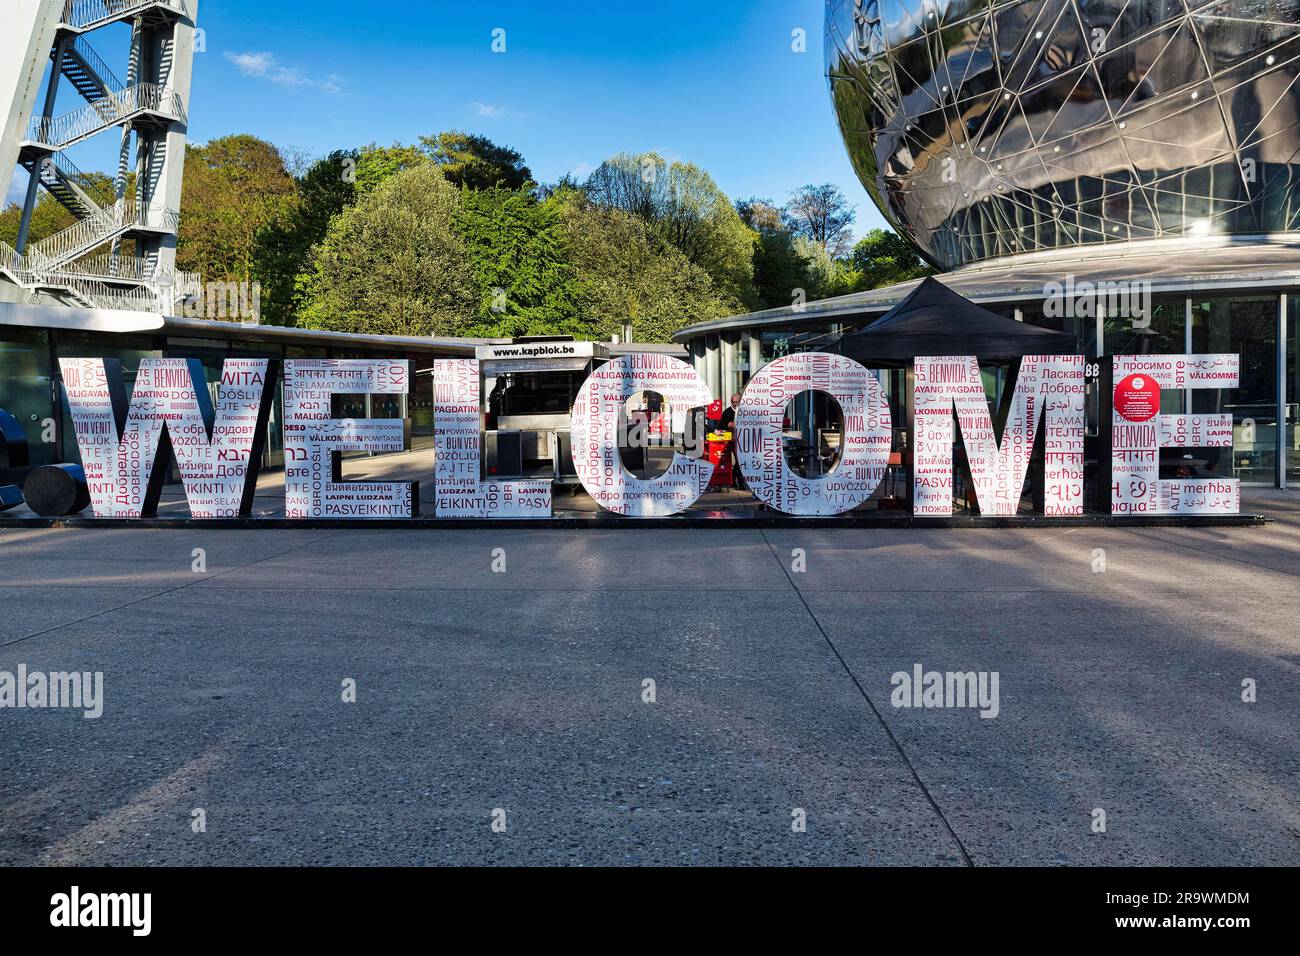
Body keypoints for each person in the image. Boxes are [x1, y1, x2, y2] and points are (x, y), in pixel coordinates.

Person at [718, 394, 745, 491]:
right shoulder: (727, 412)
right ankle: (740, 482)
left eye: (737, 402)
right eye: (733, 402)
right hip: (731, 441)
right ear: (731, 401)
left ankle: (734, 480)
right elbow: (720, 428)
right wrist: (727, 427)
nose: (735, 404)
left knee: (740, 462)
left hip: (742, 440)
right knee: (738, 462)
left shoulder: (743, 411)